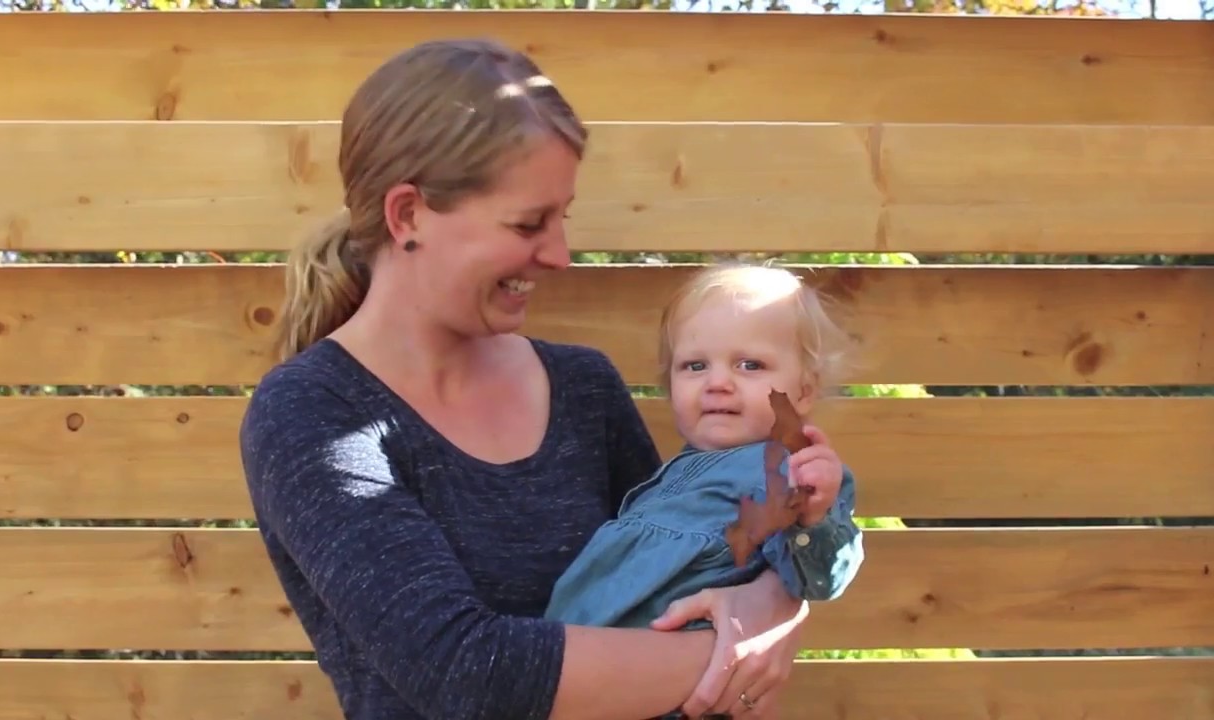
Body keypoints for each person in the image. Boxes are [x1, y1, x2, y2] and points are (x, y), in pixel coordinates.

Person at [238, 38, 851, 720]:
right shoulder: (314, 412)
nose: (559, 254)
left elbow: (690, 574)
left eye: (564, 218)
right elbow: (466, 674)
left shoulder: (583, 388)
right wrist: (745, 648)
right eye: (529, 223)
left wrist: (778, 600)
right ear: (408, 214)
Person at [545, 264, 865, 638]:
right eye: (694, 366)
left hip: (666, 676)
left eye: (749, 365)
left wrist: (814, 518)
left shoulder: (789, 473)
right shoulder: (680, 475)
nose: (717, 383)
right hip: (581, 660)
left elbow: (820, 581)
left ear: (805, 390)